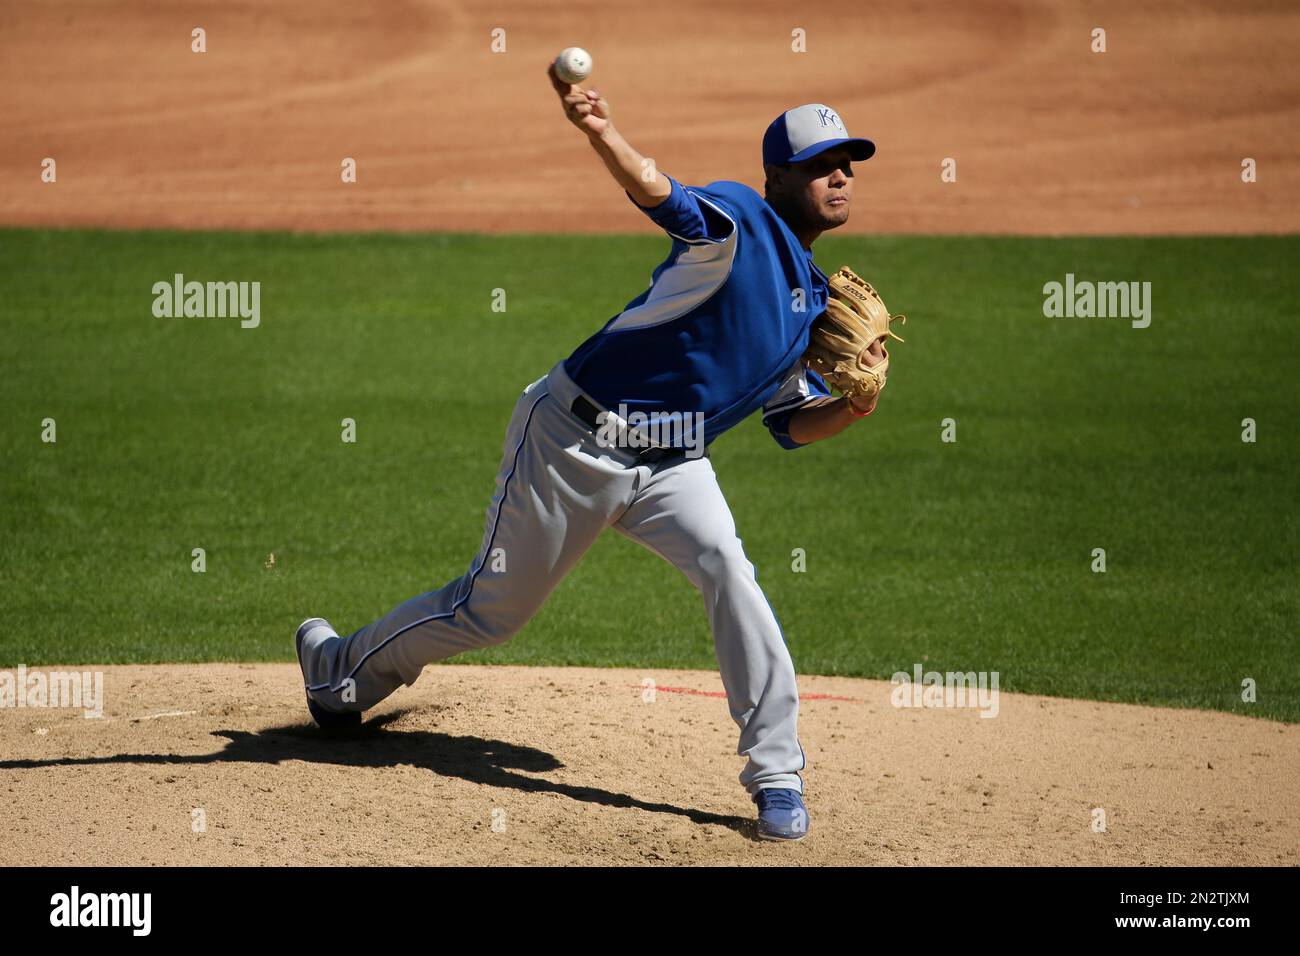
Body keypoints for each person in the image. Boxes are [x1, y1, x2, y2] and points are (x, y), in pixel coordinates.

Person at [293, 65, 885, 842]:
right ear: (778, 176)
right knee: (490, 613)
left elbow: (787, 424)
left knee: (728, 569)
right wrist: (599, 129)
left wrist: (852, 407)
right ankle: (339, 669)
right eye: (821, 164)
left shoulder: (812, 297)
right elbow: (658, 194)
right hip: (576, 438)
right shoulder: (737, 221)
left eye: (847, 163)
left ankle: (776, 773)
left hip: (675, 461)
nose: (839, 174)